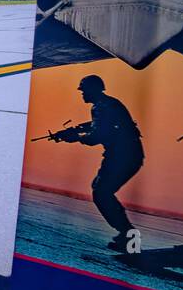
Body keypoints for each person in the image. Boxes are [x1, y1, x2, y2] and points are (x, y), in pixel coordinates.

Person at [60, 76, 144, 252]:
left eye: (83, 90)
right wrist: (78, 130)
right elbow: (105, 126)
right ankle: (128, 236)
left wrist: (76, 137)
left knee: (101, 192)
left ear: (92, 90)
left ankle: (128, 236)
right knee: (101, 189)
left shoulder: (100, 107)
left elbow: (98, 136)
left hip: (122, 157)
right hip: (129, 156)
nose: (82, 94)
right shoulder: (109, 103)